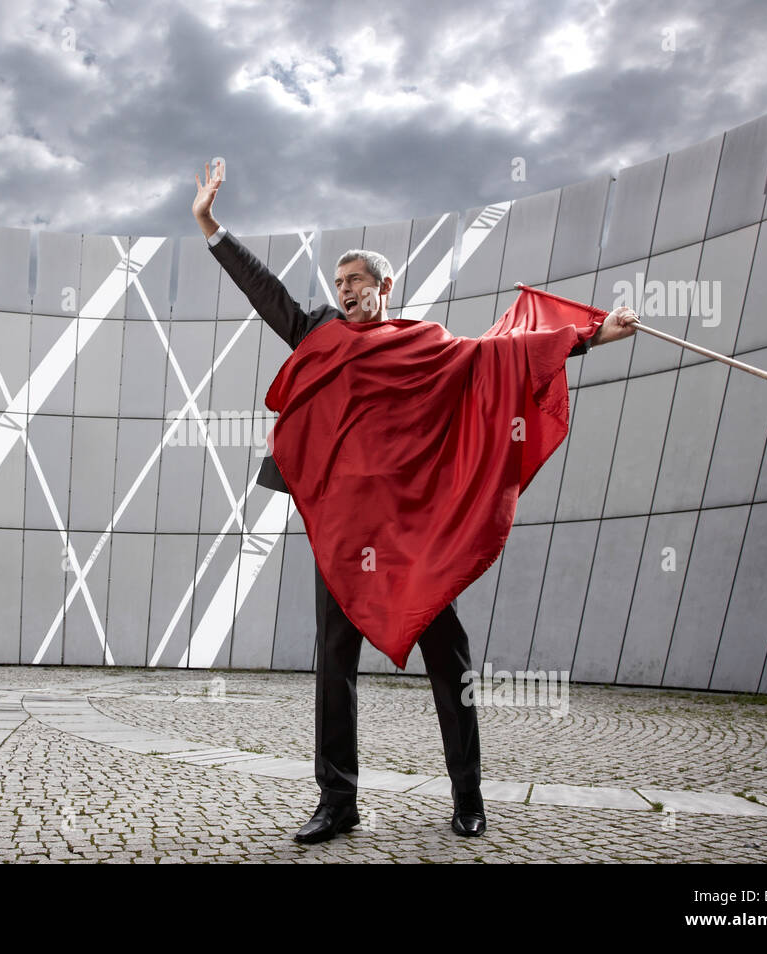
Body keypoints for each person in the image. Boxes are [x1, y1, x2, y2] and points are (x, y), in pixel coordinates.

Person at [191, 161, 637, 843]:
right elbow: (266, 290)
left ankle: (468, 796)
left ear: (383, 287)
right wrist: (211, 226)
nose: (344, 293)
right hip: (344, 534)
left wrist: (590, 335)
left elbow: (505, 357)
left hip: (413, 533)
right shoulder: (318, 336)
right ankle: (337, 803)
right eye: (337, 284)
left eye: (356, 283)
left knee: (448, 660)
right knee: (332, 663)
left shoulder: (425, 345)